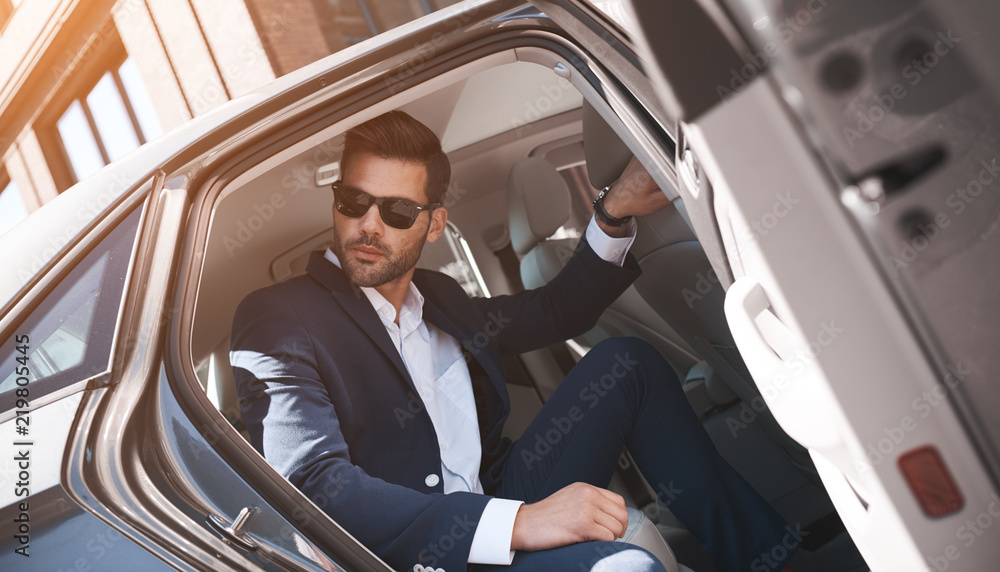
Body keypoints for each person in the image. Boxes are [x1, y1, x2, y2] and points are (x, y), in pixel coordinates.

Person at [231, 111, 798, 572]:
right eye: (354, 202)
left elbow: (553, 311)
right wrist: (520, 524)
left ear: (433, 224)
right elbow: (311, 483)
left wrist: (614, 209)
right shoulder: (280, 317)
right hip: (423, 554)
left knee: (628, 365)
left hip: (501, 492)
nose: (369, 225)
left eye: (398, 210)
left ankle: (769, 562)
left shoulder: (438, 296)